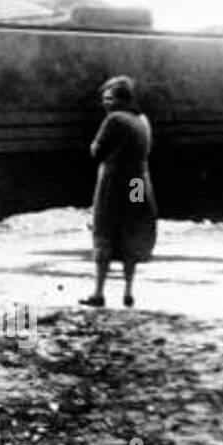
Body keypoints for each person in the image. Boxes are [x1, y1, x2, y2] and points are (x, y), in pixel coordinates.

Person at [80, 75, 158, 309]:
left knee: (105, 229)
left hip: (114, 181)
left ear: (120, 100)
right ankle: (128, 292)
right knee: (132, 229)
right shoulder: (143, 119)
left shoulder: (113, 119)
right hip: (139, 182)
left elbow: (96, 151)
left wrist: (98, 148)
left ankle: (99, 292)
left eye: (109, 98)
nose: (105, 103)